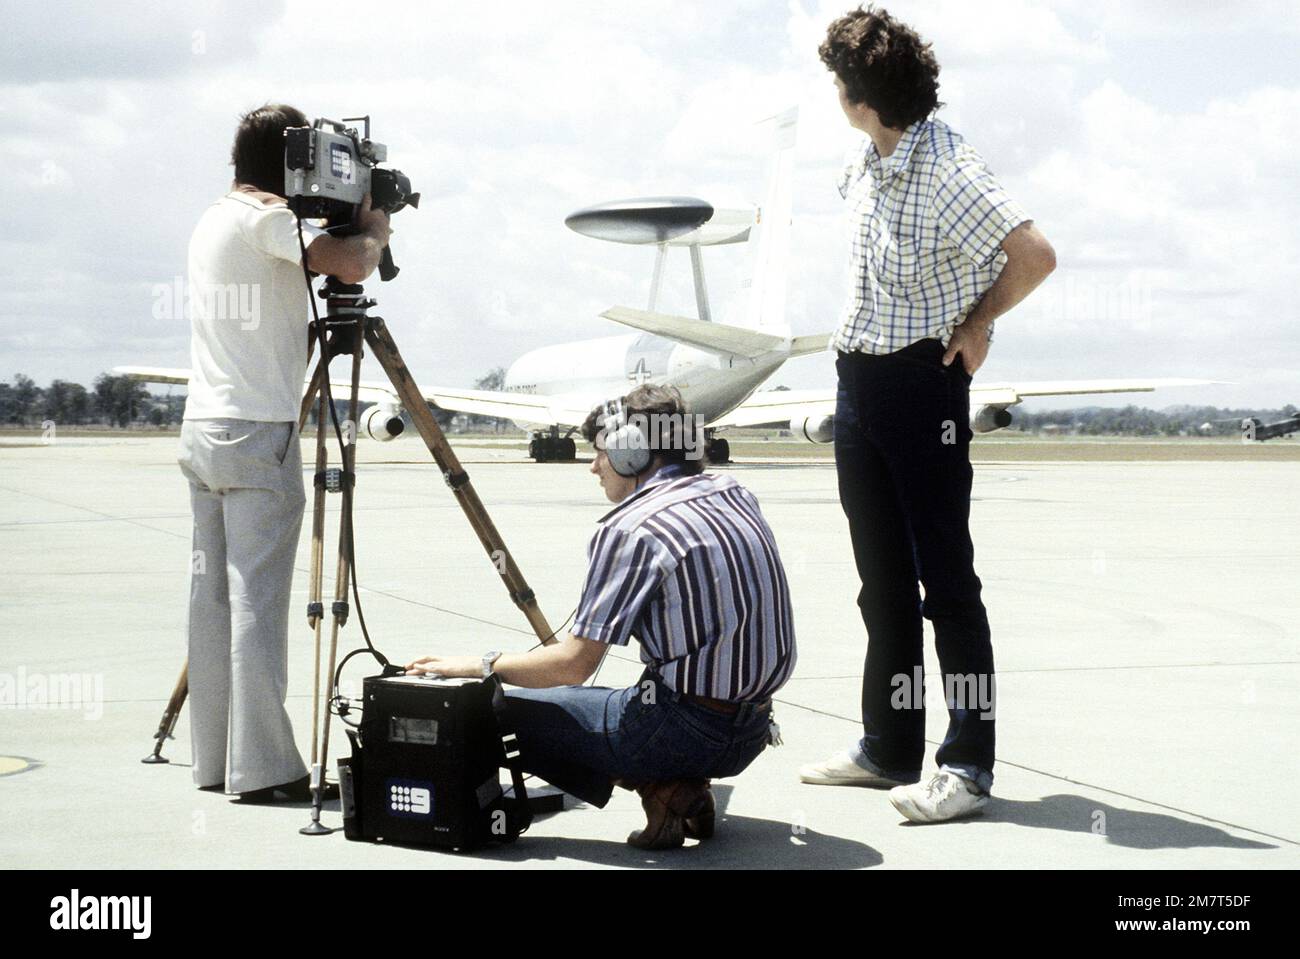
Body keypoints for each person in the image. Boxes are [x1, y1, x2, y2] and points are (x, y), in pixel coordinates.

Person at [798, 7, 1056, 823]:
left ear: (859, 96)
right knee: (883, 584)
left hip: (920, 383)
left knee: (947, 583)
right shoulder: (873, 155)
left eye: (839, 85)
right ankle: (889, 745)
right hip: (858, 380)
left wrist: (979, 322)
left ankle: (968, 763)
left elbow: (1034, 254)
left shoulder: (949, 169)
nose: (835, 95)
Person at [405, 385, 797, 849]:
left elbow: (571, 664)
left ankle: (661, 784)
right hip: (753, 730)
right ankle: (672, 787)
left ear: (632, 453)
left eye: (600, 453)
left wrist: (476, 665)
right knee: (583, 701)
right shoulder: (733, 492)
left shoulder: (634, 527)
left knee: (484, 713)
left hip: (683, 730)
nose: (592, 466)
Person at [179, 103, 392, 801]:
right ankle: (267, 770)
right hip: (255, 431)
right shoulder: (267, 221)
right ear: (290, 161)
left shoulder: (213, 219)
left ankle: (216, 761)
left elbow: (271, 322)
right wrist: (373, 223)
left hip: (205, 428)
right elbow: (352, 265)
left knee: (211, 601)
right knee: (256, 605)